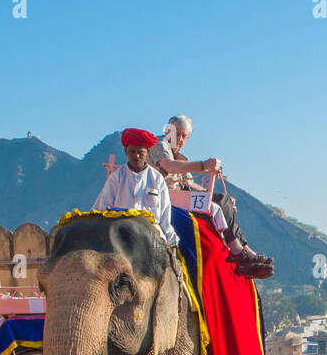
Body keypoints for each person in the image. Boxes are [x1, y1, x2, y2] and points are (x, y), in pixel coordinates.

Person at [148, 115, 273, 277]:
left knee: (222, 200)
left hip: (180, 193)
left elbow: (191, 184)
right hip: (165, 194)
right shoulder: (160, 144)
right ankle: (240, 251)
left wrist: (213, 195)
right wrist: (204, 165)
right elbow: (169, 167)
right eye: (176, 134)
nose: (179, 139)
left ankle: (244, 250)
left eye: (183, 136)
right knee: (219, 202)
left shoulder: (181, 157)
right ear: (168, 131)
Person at [92, 127, 179, 248]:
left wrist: (171, 242)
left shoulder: (157, 179)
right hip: (119, 232)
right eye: (132, 151)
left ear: (147, 153)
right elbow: (103, 207)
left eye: (140, 152)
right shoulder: (116, 177)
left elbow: (165, 214)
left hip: (151, 234)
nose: (136, 156)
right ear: (126, 152)